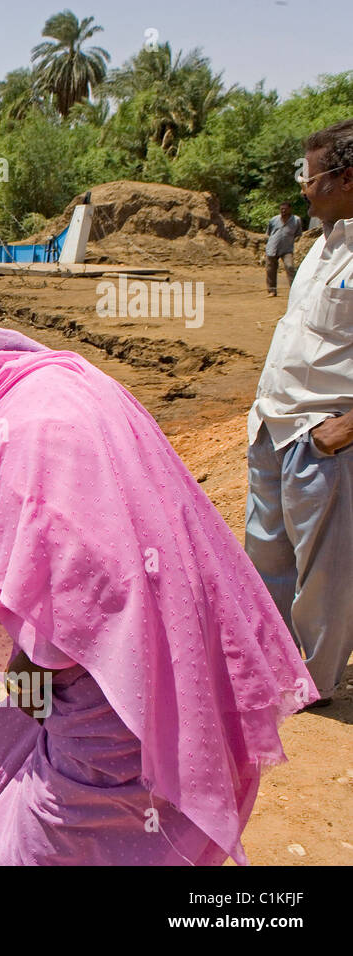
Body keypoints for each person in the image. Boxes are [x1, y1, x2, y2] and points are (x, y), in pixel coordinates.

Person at [0, 313, 317, 865]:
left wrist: (35, 671)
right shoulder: (57, 381)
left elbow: (78, 578)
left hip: (116, 676)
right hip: (176, 624)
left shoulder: (26, 438)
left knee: (57, 838)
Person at [246, 118, 353, 707]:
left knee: (326, 572)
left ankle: (314, 681)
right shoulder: (324, 243)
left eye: (311, 177)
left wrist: (343, 430)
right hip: (274, 426)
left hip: (324, 436)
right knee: (266, 554)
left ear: (346, 177)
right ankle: (272, 662)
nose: (304, 189)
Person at [264, 202, 306, 296]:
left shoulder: (296, 220)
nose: (283, 211)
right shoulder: (274, 220)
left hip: (287, 249)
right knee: (270, 269)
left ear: (290, 209)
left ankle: (294, 290)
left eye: (285, 209)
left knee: (290, 266)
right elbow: (269, 233)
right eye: (281, 209)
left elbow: (298, 234)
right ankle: (272, 290)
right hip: (272, 247)